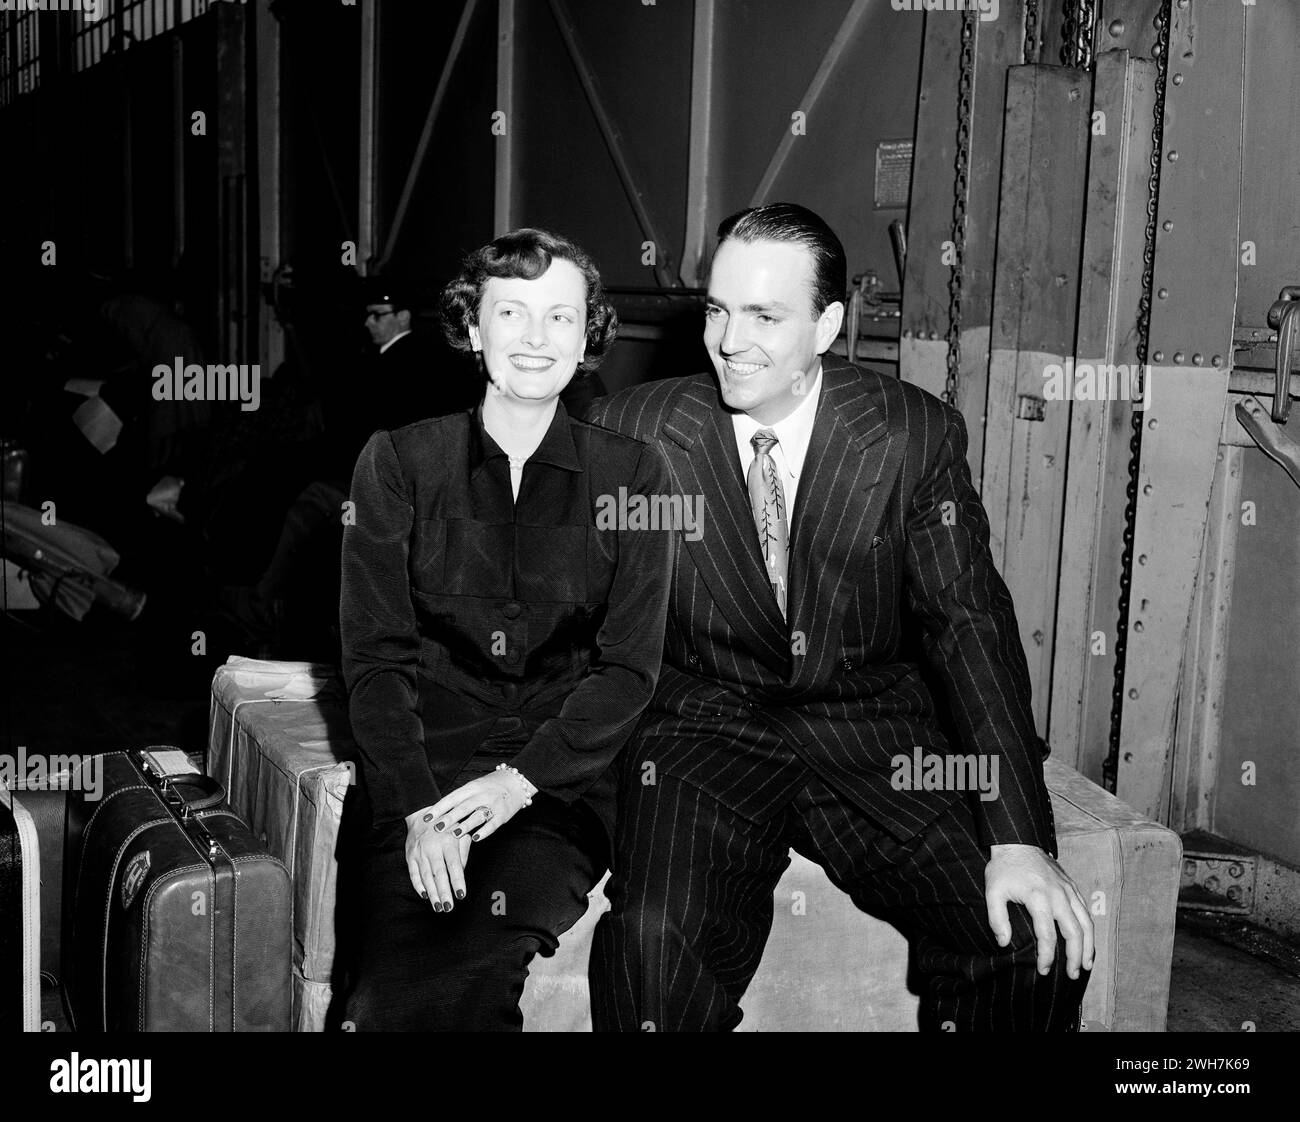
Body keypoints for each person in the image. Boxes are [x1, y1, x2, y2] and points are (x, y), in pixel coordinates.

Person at [585, 203, 1094, 1031]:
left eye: (764, 315)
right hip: (699, 735)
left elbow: (969, 629)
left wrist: (1018, 835)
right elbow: (572, 622)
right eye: (717, 310)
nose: (729, 341)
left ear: (827, 324)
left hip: (876, 736)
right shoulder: (630, 434)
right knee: (649, 948)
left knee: (1029, 936)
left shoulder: (910, 435)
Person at [338, 228, 673, 1031]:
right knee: (384, 992)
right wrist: (419, 811)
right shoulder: (396, 465)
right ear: (473, 327)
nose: (534, 338)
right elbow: (375, 662)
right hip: (425, 776)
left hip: (556, 786)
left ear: (587, 336)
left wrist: (518, 782)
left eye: (560, 317)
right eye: (511, 312)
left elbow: (629, 670)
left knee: (466, 968)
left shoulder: (635, 475)